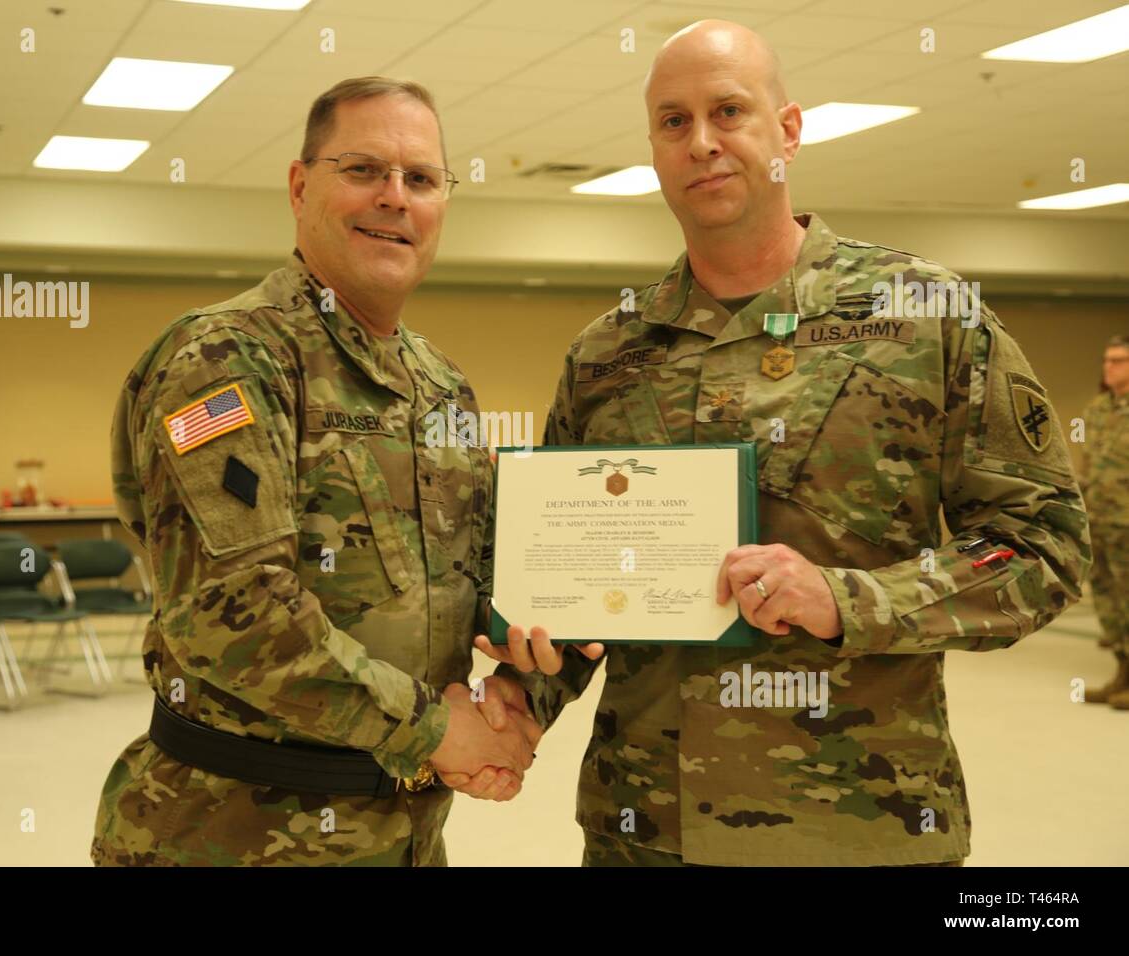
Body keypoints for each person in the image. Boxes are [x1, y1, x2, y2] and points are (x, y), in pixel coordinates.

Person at [479, 20, 1090, 866]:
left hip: (860, 830)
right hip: (644, 831)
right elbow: (575, 602)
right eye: (672, 122)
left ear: (788, 130)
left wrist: (847, 601)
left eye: (728, 111)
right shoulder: (606, 355)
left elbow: (1046, 550)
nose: (701, 143)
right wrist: (520, 698)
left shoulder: (926, 317)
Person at [91, 76, 540, 868]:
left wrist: (528, 669)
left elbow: (477, 579)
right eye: (364, 169)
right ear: (301, 188)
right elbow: (233, 617)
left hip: (402, 835)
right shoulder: (226, 360)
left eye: (422, 179)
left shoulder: (441, 385)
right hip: (231, 836)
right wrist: (438, 731)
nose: (395, 198)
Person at [1079, 335, 1129, 707]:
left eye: (1118, 360)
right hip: (1100, 518)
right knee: (1108, 602)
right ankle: (1122, 672)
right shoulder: (1096, 410)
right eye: (1107, 360)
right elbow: (1087, 465)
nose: (1109, 366)